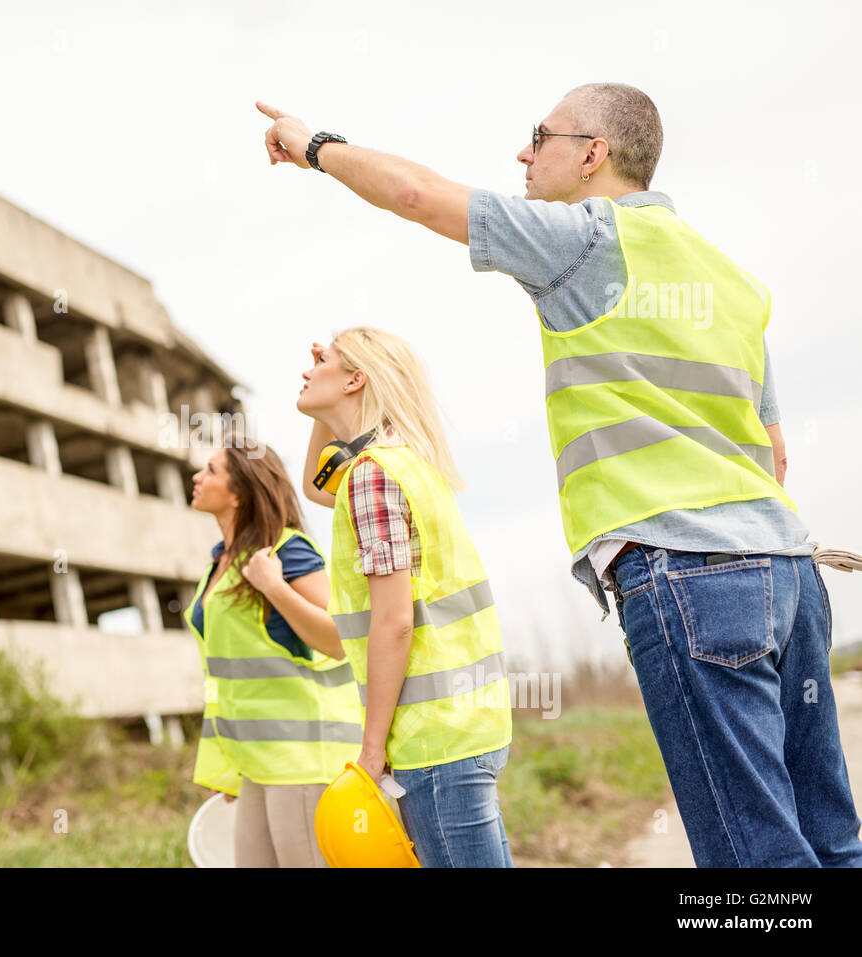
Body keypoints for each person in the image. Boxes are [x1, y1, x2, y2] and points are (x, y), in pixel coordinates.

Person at [257, 83, 862, 867]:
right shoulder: (733, 282)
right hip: (792, 575)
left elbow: (415, 194)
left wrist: (313, 147)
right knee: (831, 842)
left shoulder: (583, 239)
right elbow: (773, 453)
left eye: (538, 136)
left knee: (758, 863)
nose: (522, 153)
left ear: (592, 154)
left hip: (688, 573)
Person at [298, 328, 514, 868]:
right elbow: (312, 487)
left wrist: (372, 751)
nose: (306, 369)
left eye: (321, 361)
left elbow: (393, 623)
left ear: (355, 378)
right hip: (467, 726)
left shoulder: (372, 477)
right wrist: (329, 408)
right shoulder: (402, 462)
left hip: (433, 742)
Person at [184, 439, 361, 867]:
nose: (197, 477)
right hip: (256, 762)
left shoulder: (286, 551)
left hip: (303, 759)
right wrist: (227, 766)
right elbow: (229, 679)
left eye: (210, 470)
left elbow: (339, 639)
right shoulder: (221, 562)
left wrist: (274, 586)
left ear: (240, 491)